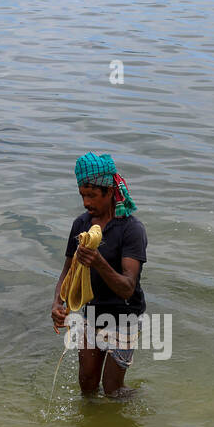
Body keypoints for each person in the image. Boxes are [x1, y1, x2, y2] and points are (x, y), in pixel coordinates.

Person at [51, 153, 148, 397]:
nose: (85, 202)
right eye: (82, 195)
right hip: (91, 313)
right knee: (87, 385)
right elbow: (67, 270)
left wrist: (98, 262)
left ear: (109, 191)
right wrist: (57, 303)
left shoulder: (131, 229)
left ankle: (141, 402)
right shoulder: (81, 225)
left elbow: (127, 287)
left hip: (125, 316)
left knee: (113, 391)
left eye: (92, 195)